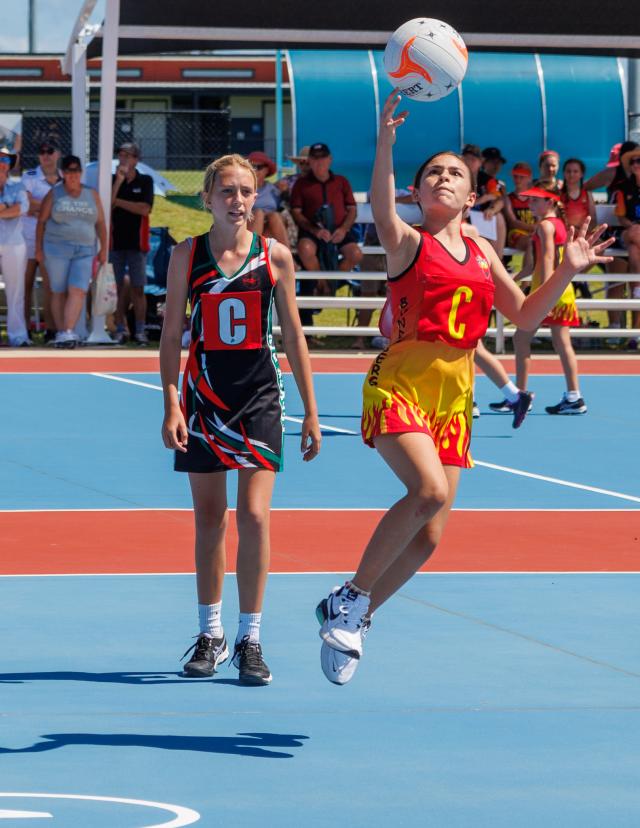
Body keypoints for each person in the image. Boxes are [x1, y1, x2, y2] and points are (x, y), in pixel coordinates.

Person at [315, 91, 612, 685]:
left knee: (429, 537)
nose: (443, 178)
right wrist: (384, 143)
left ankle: (356, 613)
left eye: (455, 173)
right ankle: (350, 595)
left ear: (472, 196)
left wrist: (567, 269)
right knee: (425, 490)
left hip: (455, 394)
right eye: (432, 174)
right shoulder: (407, 241)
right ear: (417, 193)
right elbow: (378, 197)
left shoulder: (480, 250)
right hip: (399, 381)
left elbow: (526, 317)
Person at [159, 153, 321, 686]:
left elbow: (294, 335)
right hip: (205, 397)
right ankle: (211, 632)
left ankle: (251, 637)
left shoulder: (274, 256)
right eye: (227, 191)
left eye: (246, 191)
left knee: (254, 515)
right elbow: (170, 336)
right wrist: (171, 402)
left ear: (257, 197)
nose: (238, 200)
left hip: (259, 398)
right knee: (210, 518)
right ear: (207, 198)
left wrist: (311, 412)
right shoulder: (187, 256)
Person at [513, 183, 586, 414]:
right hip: (562, 292)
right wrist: (514, 278)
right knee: (562, 344)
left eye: (535, 200)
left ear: (550, 202)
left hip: (549, 293)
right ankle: (574, 395)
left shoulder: (545, 226)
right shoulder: (558, 225)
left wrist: (542, 295)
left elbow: (545, 260)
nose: (530, 204)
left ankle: (520, 395)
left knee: (520, 339)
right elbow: (537, 264)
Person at [36, 155, 107, 348]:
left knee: (78, 289)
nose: (73, 175)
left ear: (81, 173)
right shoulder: (54, 193)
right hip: (56, 249)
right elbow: (41, 222)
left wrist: (104, 249)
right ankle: (62, 332)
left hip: (85, 250)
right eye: (68, 171)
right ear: (63, 173)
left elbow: (101, 223)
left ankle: (68, 330)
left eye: (76, 170)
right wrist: (38, 250)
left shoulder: (92, 194)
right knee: (58, 290)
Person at [290, 142, 362, 327]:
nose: (318, 162)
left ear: (329, 160)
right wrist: (315, 230)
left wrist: (343, 229)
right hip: (313, 231)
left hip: (339, 230)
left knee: (355, 254)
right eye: (314, 159)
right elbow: (296, 212)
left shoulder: (341, 182)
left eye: (322, 158)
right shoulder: (300, 184)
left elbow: (352, 209)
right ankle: (322, 282)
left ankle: (333, 283)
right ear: (309, 161)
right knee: (305, 250)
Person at [585, 141, 639, 335]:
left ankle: (634, 333)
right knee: (617, 280)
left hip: (633, 236)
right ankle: (616, 330)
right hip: (618, 231)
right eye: (633, 158)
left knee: (634, 276)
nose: (636, 162)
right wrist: (590, 208)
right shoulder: (612, 174)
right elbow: (586, 187)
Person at [110, 142, 154, 345]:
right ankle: (120, 329)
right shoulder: (112, 180)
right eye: (122, 155)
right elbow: (107, 204)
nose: (125, 159)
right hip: (115, 243)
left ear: (137, 160)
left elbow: (144, 209)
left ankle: (140, 329)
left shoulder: (145, 181)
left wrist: (119, 202)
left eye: (129, 156)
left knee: (138, 288)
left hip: (137, 243)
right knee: (116, 288)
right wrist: (118, 183)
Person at [22, 140, 61, 341]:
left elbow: (67, 206)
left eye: (50, 151)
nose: (45, 155)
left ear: (58, 154)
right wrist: (53, 207)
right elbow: (26, 205)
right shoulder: (28, 176)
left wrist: (40, 207)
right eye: (41, 151)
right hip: (28, 238)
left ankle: (51, 329)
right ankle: (23, 330)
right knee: (25, 285)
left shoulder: (64, 179)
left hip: (53, 240)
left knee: (51, 286)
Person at [0, 147, 29, 346]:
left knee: (16, 292)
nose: (3, 163)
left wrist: (7, 210)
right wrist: (8, 209)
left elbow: (21, 209)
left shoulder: (18, 187)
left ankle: (17, 337)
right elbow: (13, 210)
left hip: (14, 244)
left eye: (6, 159)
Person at [612, 144, 640, 345]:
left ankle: (634, 336)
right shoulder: (623, 187)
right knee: (633, 236)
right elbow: (621, 217)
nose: (636, 165)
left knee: (634, 249)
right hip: (628, 232)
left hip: (634, 246)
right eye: (633, 162)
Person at [559, 158, 596, 299]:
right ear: (563, 173)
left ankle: (578, 276)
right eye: (568, 171)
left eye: (575, 171)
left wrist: (582, 232)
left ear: (581, 174)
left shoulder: (587, 194)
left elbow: (593, 219)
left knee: (600, 246)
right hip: (566, 237)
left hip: (583, 236)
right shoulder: (559, 194)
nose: (571, 174)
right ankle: (578, 280)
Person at [247, 151, 290, 248]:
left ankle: (288, 258)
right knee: (259, 213)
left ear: (266, 170)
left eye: (259, 167)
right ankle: (252, 254)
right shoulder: (243, 189)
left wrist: (285, 193)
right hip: (249, 225)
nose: (255, 171)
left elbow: (285, 209)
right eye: (251, 167)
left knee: (274, 216)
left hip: (271, 228)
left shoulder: (274, 189)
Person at [471, 146, 507, 257]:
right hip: (470, 217)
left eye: (498, 162)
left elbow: (499, 200)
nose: (496, 165)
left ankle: (498, 261)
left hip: (486, 219)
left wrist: (492, 209)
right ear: (483, 163)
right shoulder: (470, 177)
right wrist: (485, 198)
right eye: (492, 162)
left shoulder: (498, 183)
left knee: (498, 217)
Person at [503, 162, 536, 251]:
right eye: (515, 176)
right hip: (516, 233)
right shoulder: (508, 198)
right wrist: (534, 228)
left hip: (534, 232)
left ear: (529, 178)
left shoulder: (535, 197)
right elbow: (513, 222)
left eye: (522, 177)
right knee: (532, 241)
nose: (518, 180)